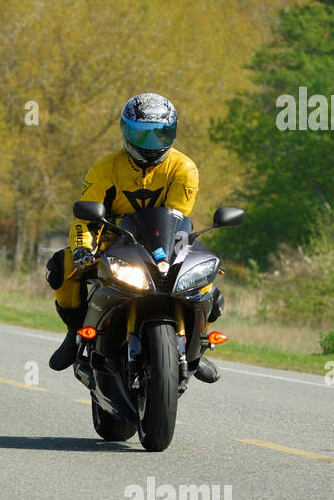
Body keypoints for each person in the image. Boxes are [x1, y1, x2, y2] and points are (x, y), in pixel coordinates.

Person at [47, 92, 224, 379]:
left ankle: (195, 349)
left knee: (206, 279)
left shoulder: (184, 168)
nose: (151, 144)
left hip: (164, 240)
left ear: (173, 133)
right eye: (142, 135)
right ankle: (74, 333)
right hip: (112, 238)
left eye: (159, 134)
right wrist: (82, 249)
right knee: (62, 266)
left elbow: (179, 217)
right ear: (125, 132)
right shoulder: (104, 169)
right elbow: (84, 219)